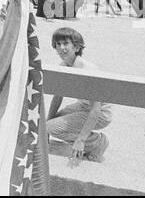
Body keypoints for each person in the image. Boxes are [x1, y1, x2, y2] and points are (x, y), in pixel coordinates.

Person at [45, 27, 110, 163]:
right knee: (50, 124)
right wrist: (45, 128)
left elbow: (96, 109)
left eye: (65, 43)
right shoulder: (63, 66)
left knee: (52, 127)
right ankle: (89, 140)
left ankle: (97, 143)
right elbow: (57, 97)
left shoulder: (85, 70)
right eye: (58, 44)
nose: (62, 48)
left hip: (100, 113)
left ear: (76, 47)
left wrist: (80, 140)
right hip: (84, 106)